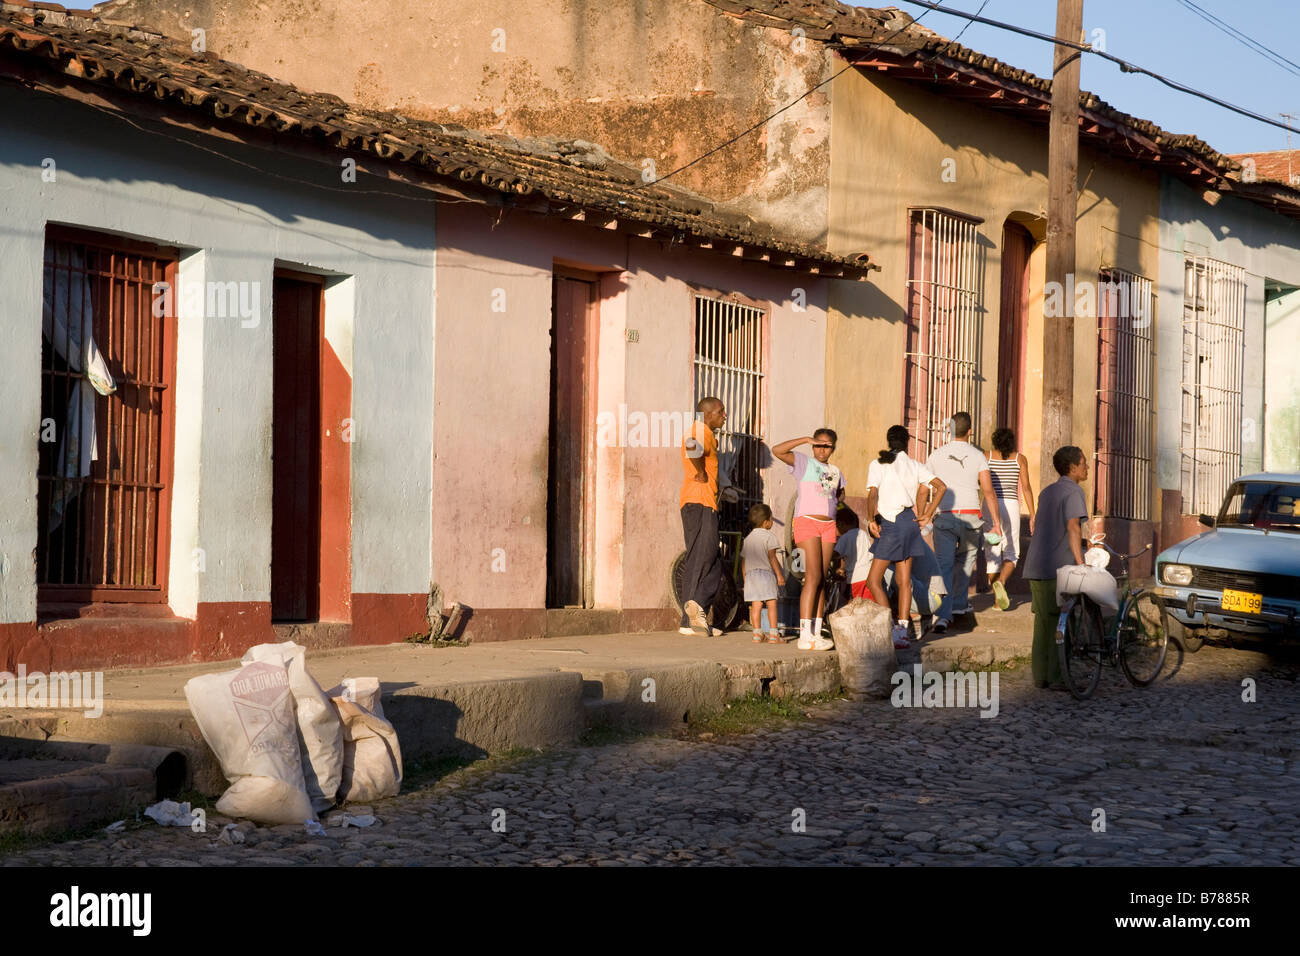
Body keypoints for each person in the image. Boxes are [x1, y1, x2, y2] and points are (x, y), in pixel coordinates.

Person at [865, 425, 947, 649]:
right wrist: (926, 515)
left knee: (873, 581)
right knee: (904, 582)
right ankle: (901, 631)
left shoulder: (878, 464)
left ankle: (890, 626)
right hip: (909, 522)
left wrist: (871, 520)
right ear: (907, 443)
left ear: (888, 441)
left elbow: (872, 494)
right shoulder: (915, 465)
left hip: (890, 524)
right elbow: (941, 488)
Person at [926, 411, 1001, 634]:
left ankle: (942, 616)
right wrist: (995, 523)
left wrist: (923, 515)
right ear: (970, 431)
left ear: (949, 429)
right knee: (966, 564)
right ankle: (958, 606)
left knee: (944, 566)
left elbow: (924, 488)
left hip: (945, 516)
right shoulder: (978, 456)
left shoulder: (935, 455)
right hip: (971, 516)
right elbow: (988, 491)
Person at [1021, 446, 1090, 690]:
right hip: (1058, 567)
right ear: (1072, 467)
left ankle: (1041, 676)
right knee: (1062, 622)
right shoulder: (1074, 492)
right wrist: (1081, 563)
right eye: (1084, 463)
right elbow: (1073, 527)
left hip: (1036, 565)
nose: (1087, 467)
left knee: (1043, 623)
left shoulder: (1047, 492)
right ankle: (1059, 675)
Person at [772, 429, 844, 651]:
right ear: (813, 446)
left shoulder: (836, 470)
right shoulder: (803, 462)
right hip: (807, 522)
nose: (822, 449)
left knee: (823, 578)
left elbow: (839, 495)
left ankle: (816, 631)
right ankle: (805, 635)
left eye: (827, 445)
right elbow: (777, 450)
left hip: (829, 526)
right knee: (812, 577)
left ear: (833, 448)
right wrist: (804, 439)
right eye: (818, 445)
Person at [679, 396, 727, 637]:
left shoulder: (705, 432)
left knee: (702, 559)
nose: (724, 415)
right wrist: (699, 472)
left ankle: (690, 622)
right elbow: (690, 445)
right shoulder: (700, 429)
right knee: (707, 558)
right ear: (707, 414)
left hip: (698, 502)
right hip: (700, 502)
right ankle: (695, 611)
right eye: (720, 411)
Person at [984, 427, 1037, 611]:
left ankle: (997, 600)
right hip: (1011, 506)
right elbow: (1027, 488)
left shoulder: (986, 456)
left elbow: (980, 482)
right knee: (1012, 552)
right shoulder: (1019, 458)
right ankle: (1002, 582)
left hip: (990, 506)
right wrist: (1032, 514)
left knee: (992, 550)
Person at [742, 503, 786, 644]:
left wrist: (745, 578)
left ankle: (757, 634)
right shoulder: (769, 537)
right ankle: (774, 635)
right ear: (766, 522)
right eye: (772, 519)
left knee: (756, 605)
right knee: (772, 603)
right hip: (765, 574)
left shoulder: (747, 539)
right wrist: (779, 575)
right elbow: (772, 558)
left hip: (751, 575)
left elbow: (744, 561)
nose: (772, 522)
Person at [833, 507, 872, 600]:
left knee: (855, 605)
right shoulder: (862, 533)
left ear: (841, 524)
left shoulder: (844, 538)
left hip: (856, 578)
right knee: (869, 605)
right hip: (869, 574)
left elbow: (836, 554)